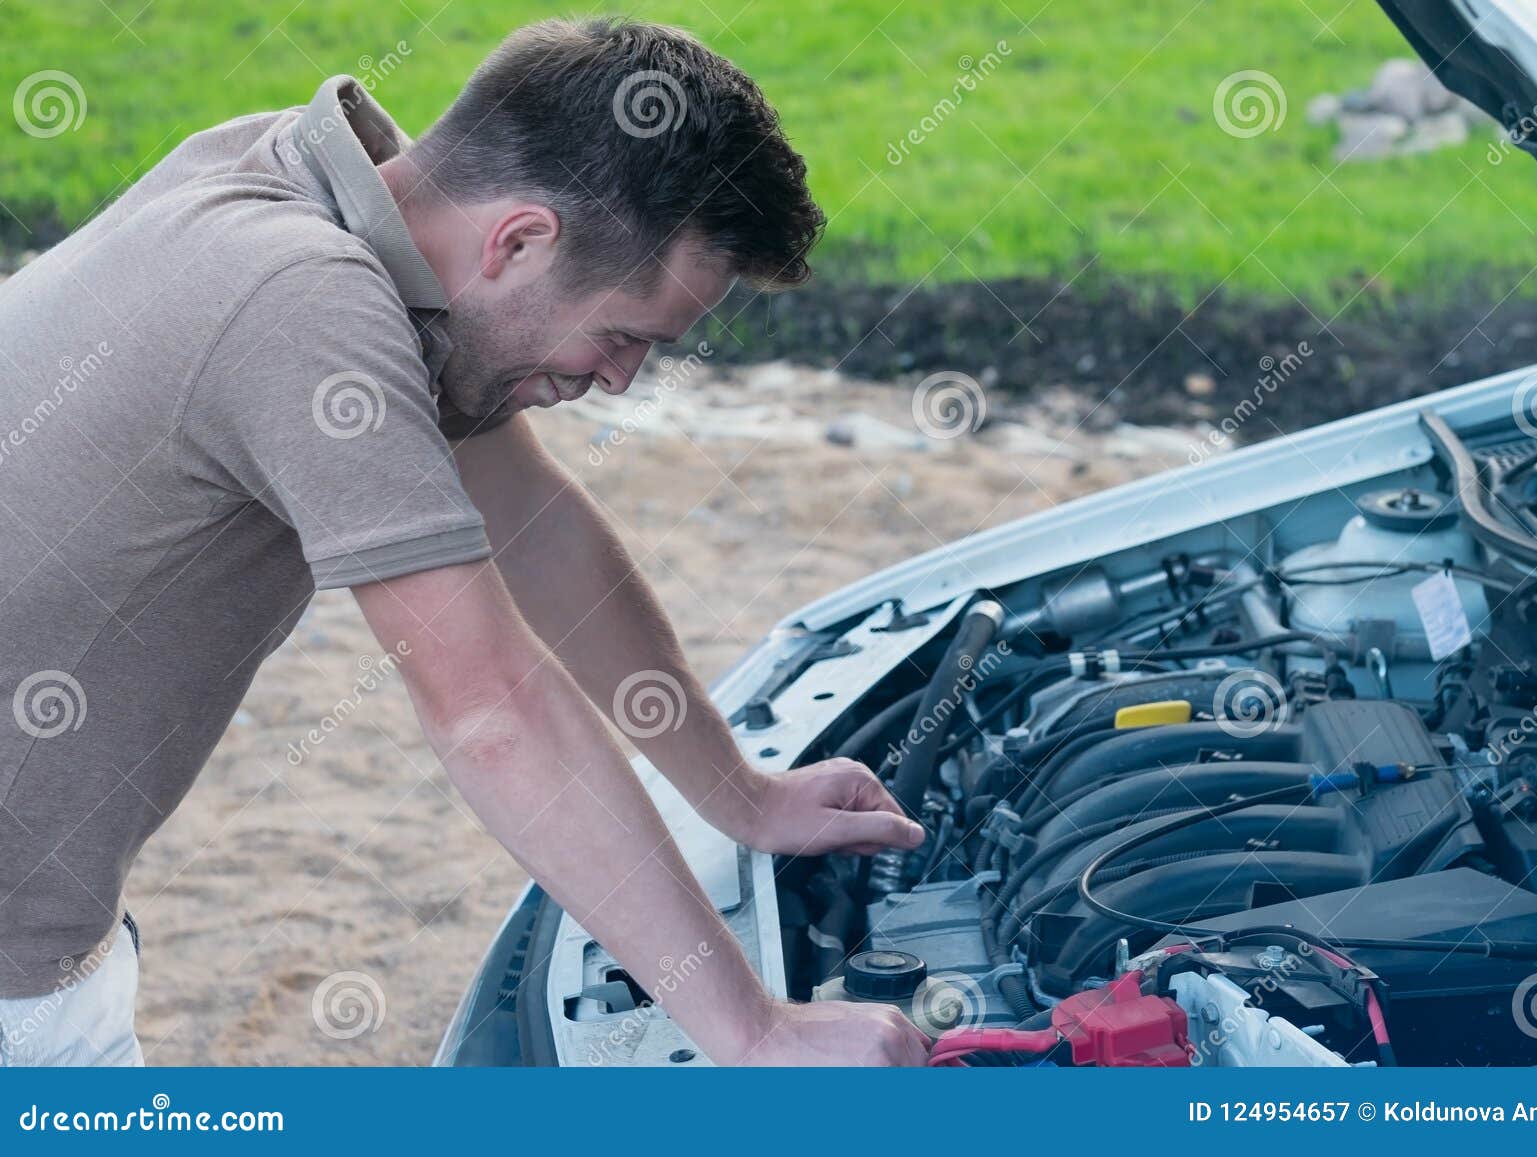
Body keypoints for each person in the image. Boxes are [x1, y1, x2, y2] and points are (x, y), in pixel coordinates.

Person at [0, 17, 929, 1067]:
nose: (619, 379)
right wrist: (755, 1033)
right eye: (624, 336)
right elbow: (490, 706)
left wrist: (738, 791)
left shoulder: (315, 185)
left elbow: (533, 522)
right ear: (520, 240)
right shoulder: (301, 303)